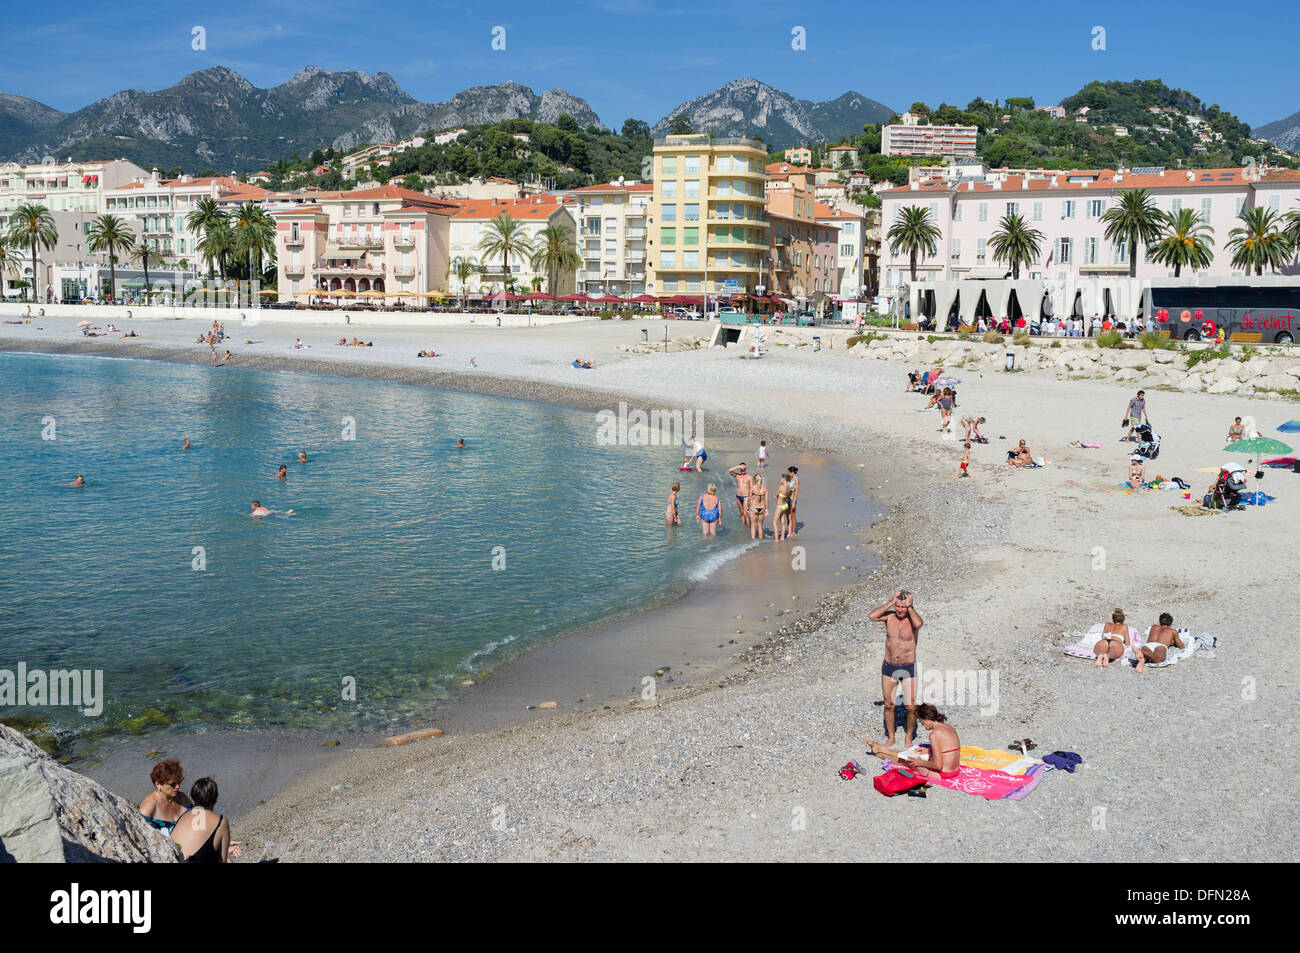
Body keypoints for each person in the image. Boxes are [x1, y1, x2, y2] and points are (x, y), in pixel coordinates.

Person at [869, 590, 923, 747]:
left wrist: (910, 607)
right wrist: (891, 603)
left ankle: (908, 737)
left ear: (909, 607)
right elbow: (872, 616)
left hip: (908, 667)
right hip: (889, 666)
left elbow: (919, 624)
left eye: (903, 607)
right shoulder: (889, 617)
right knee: (889, 704)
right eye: (898, 606)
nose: (900, 610)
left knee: (910, 706)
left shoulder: (912, 620)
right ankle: (891, 737)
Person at [868, 703, 960, 781]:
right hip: (954, 770)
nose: (923, 725)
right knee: (915, 754)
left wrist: (920, 762)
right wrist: (928, 751)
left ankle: (880, 754)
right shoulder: (948, 727)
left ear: (926, 719)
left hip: (943, 775)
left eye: (921, 722)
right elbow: (947, 750)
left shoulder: (934, 735)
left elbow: (938, 766)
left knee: (910, 761)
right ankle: (881, 749)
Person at [171, 777, 235, 863]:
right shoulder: (221, 821)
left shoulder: (183, 816)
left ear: (193, 797)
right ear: (215, 798)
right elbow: (222, 860)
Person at [139, 759, 192, 833]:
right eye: (172, 784)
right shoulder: (149, 806)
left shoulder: (182, 797)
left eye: (179, 782)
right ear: (158, 784)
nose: (177, 787)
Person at [747, 473, 768, 540]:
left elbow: (749, 499)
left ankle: (753, 541)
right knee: (760, 525)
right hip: (762, 507)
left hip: (753, 507)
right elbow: (767, 499)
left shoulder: (752, 488)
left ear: (754, 480)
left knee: (753, 525)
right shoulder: (765, 488)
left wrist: (748, 507)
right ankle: (761, 540)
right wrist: (766, 508)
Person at [774, 472, 792, 541]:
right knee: (782, 522)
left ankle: (776, 539)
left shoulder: (781, 487)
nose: (780, 479)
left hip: (780, 506)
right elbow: (788, 495)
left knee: (774, 522)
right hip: (785, 505)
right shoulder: (789, 488)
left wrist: (776, 495)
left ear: (784, 479)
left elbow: (776, 495)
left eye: (781, 478)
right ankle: (782, 537)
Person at [785, 466, 799, 536]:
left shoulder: (796, 479)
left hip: (793, 499)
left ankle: (794, 531)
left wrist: (794, 502)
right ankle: (789, 531)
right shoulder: (790, 479)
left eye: (789, 472)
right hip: (787, 499)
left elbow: (797, 491)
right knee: (788, 516)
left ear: (792, 472)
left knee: (793, 515)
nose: (788, 473)